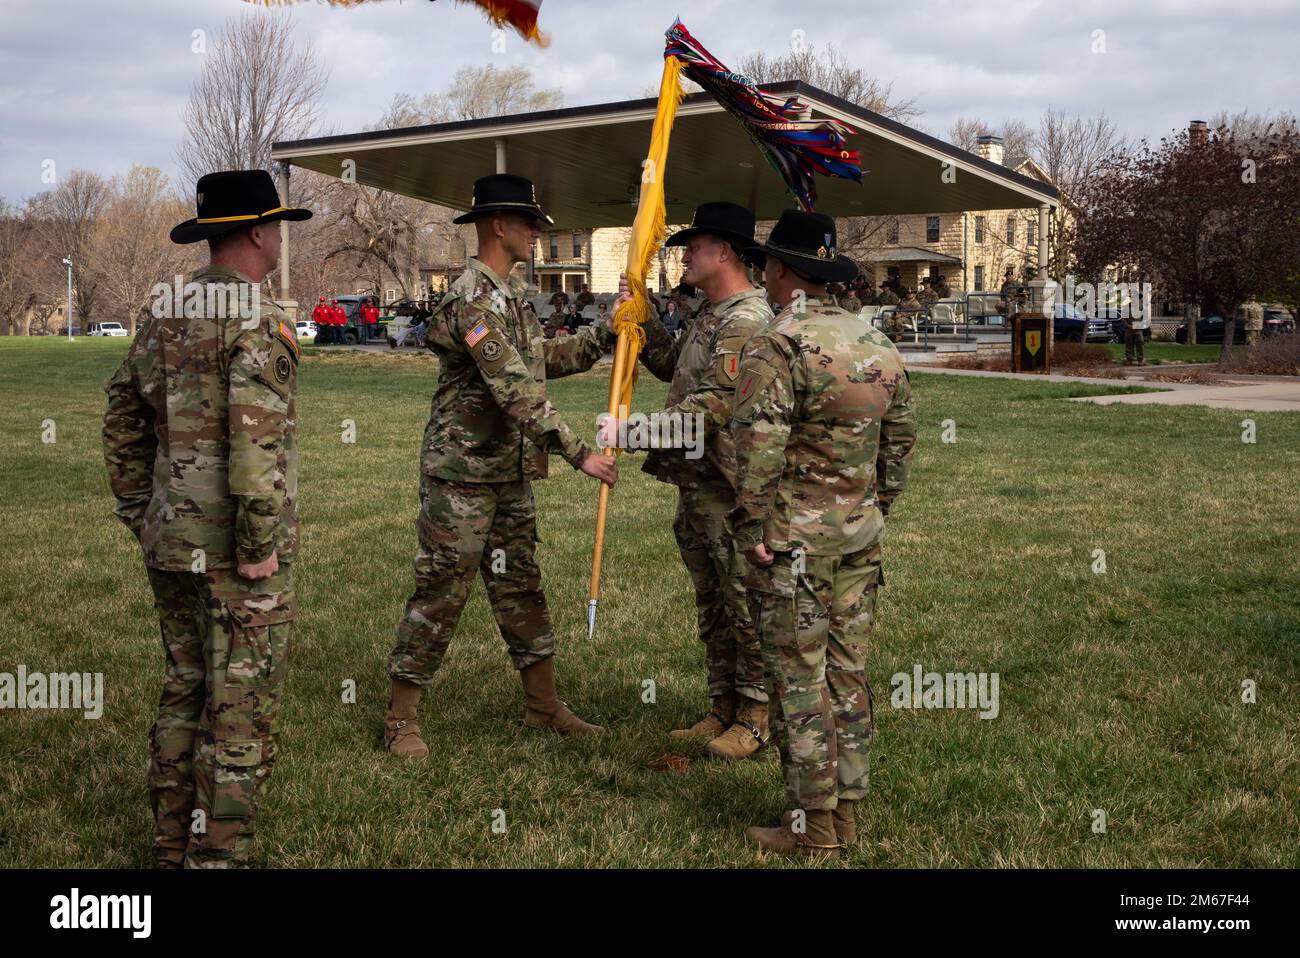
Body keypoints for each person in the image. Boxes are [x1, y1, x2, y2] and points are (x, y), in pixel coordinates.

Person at [103, 168, 310, 868]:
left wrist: (142, 510)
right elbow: (254, 443)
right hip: (234, 555)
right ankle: (217, 857)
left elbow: (121, 416)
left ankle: (170, 847)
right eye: (276, 225)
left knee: (186, 690)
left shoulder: (165, 311)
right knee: (239, 710)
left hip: (173, 543)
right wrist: (257, 544)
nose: (279, 237)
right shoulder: (260, 317)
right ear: (256, 232)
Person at [385, 173, 618, 759]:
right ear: (498, 225)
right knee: (442, 589)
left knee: (520, 585)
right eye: (528, 223)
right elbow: (513, 387)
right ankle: (401, 716)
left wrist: (607, 333)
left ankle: (543, 706)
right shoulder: (471, 299)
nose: (537, 233)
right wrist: (579, 452)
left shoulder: (511, 296)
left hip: (508, 473)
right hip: (461, 476)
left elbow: (540, 361)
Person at [731, 208, 917, 857]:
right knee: (848, 674)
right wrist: (875, 505)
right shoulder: (876, 341)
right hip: (859, 539)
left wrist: (753, 525)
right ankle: (847, 816)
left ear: (780, 269)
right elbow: (901, 438)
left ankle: (813, 827)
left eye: (766, 263)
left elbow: (759, 446)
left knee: (799, 680)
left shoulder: (778, 343)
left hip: (796, 544)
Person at [610, 201, 775, 760]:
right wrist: (643, 320)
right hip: (700, 485)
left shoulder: (745, 320)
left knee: (743, 601)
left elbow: (712, 408)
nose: (683, 258)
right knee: (714, 602)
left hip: (731, 488)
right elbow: (673, 368)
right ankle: (722, 705)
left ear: (723, 252)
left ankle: (756, 715)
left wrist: (631, 431)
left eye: (693, 248)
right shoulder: (711, 313)